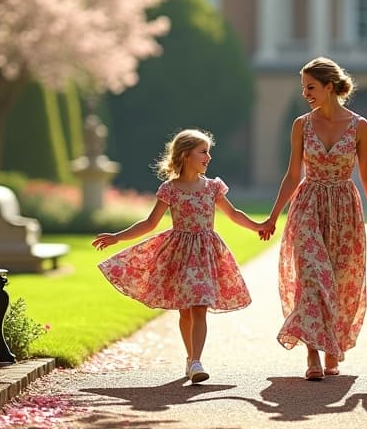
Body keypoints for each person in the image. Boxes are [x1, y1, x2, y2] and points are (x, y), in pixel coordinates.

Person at [93, 128, 264, 383]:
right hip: (179, 254)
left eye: (209, 152)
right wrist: (117, 236)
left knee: (199, 307)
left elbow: (235, 214)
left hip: (206, 252)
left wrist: (259, 226)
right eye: (203, 152)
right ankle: (190, 358)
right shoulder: (170, 189)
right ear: (186, 155)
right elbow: (150, 223)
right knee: (185, 311)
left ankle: (196, 361)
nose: (208, 157)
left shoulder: (213, 187)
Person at [260, 57, 367, 381]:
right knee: (312, 278)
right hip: (308, 206)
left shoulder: (360, 126)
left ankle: (333, 348)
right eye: (304, 88)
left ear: (330, 87)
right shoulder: (301, 124)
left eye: (311, 87)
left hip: (345, 208)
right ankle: (313, 354)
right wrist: (273, 216)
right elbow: (292, 175)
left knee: (343, 280)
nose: (305, 93)